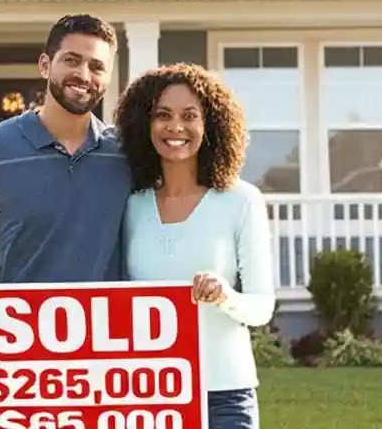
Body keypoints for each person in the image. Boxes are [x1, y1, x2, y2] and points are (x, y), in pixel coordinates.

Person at [0, 14, 131, 316]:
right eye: (71, 60)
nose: (83, 74)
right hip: (16, 338)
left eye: (97, 66)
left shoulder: (126, 154)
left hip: (106, 339)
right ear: (45, 65)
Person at [115, 63, 275, 429]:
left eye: (190, 116)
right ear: (144, 124)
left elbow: (262, 307)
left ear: (210, 125)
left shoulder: (241, 201)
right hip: (150, 396)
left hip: (225, 397)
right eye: (162, 115)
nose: (176, 127)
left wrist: (224, 295)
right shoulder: (131, 205)